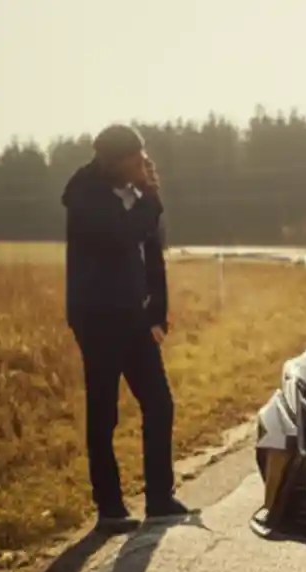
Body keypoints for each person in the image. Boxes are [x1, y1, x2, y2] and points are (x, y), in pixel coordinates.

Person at [62, 124, 192, 533]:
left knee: (159, 403)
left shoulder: (138, 195)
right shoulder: (84, 196)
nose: (142, 165)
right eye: (133, 160)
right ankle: (110, 508)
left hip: (135, 317)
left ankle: (159, 498)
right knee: (104, 412)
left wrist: (157, 314)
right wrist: (151, 201)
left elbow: (153, 258)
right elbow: (122, 237)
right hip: (98, 315)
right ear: (111, 161)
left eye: (143, 157)